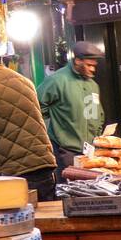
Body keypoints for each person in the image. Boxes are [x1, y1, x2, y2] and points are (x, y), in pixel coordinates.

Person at [0, 59, 58, 201]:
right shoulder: (26, 81)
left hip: (15, 170)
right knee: (45, 217)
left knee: (17, 219)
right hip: (44, 163)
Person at [37, 41, 106, 173]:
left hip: (91, 151)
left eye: (94, 65)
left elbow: (99, 114)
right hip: (66, 151)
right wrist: (54, 126)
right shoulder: (57, 80)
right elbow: (37, 105)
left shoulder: (93, 85)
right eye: (89, 65)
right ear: (78, 61)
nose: (93, 69)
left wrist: (98, 134)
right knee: (69, 190)